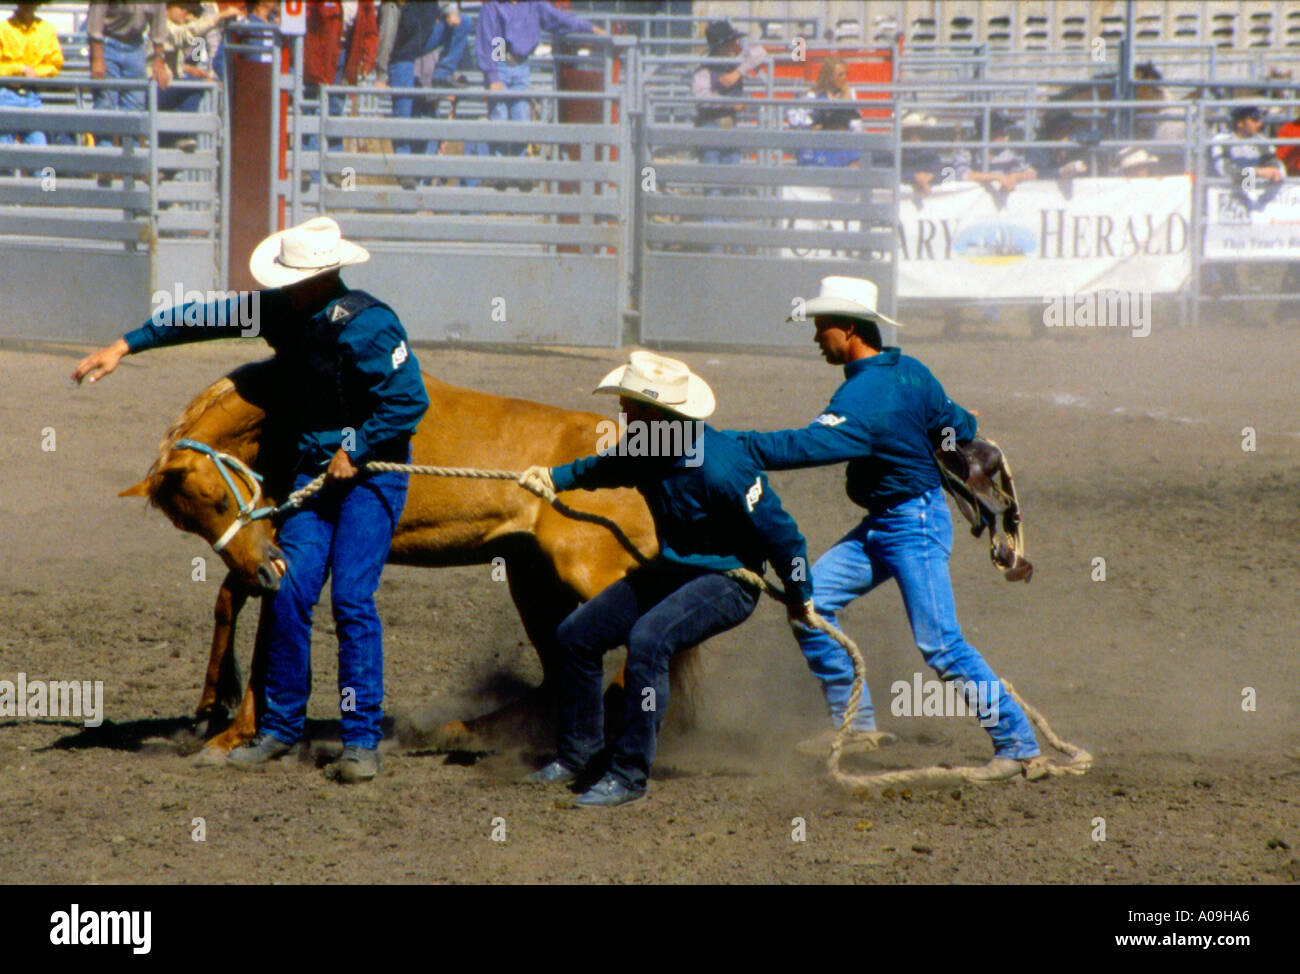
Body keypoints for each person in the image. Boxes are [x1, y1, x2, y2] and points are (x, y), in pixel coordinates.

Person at [71, 216, 430, 784]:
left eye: (292, 276)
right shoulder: (281, 311)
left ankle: (361, 742)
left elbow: (410, 401)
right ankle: (280, 727)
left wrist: (354, 448)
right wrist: (125, 345)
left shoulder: (371, 326)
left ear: (322, 275)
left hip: (370, 479)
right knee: (287, 588)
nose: (282, 285)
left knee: (353, 599)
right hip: (311, 478)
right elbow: (200, 320)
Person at [727, 276, 1046, 783]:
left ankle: (1019, 745)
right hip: (894, 521)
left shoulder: (864, 395)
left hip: (911, 526)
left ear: (848, 329)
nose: (816, 339)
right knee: (809, 601)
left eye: (821, 328)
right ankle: (856, 726)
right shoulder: (911, 371)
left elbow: (807, 446)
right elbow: (957, 426)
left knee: (941, 644)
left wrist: (735, 446)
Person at [517, 352, 814, 807]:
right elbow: (604, 468)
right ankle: (578, 755)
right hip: (674, 570)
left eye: (630, 404)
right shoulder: (648, 444)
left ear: (656, 413)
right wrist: (555, 478)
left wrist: (799, 595)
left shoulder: (722, 468)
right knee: (575, 636)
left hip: (730, 582)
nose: (621, 412)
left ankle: (629, 773)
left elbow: (785, 537)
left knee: (649, 639)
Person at [475, 0, 604, 178]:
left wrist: (588, 28)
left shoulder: (533, 5)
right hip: (500, 65)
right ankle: (500, 174)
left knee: (522, 122)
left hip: (521, 65)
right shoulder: (493, 6)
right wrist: (492, 76)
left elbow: (559, 19)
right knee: (500, 120)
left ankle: (518, 174)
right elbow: (486, 41)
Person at [380, 0, 473, 187]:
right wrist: (381, 73)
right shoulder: (394, 5)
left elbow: (447, 4)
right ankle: (404, 168)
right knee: (403, 112)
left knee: (465, 22)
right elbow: (386, 37)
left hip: (422, 55)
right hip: (402, 56)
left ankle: (443, 73)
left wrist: (451, 11)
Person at [160, 1, 238, 150]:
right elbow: (185, 40)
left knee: (199, 86)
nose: (186, 12)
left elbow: (200, 55)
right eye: (182, 8)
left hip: (199, 69)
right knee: (196, 86)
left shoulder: (203, 15)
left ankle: (180, 138)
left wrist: (201, 71)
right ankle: (181, 135)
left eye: (188, 8)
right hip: (166, 81)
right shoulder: (162, 25)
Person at [692, 19, 764, 166]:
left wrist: (737, 73)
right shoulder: (704, 68)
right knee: (712, 173)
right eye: (731, 41)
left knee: (731, 172)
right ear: (721, 46)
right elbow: (702, 97)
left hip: (729, 125)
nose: (735, 44)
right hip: (710, 125)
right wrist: (731, 104)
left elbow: (760, 52)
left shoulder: (734, 63)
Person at [87, 1, 170, 112]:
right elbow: (95, 22)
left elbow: (159, 25)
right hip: (108, 43)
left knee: (136, 103)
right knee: (106, 102)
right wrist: (97, 59)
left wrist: (159, 61)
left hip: (135, 45)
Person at [0, 2, 63, 147]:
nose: (28, 5)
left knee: (38, 148)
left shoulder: (46, 29)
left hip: (33, 95)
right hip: (4, 93)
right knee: (3, 152)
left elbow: (55, 64)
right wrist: (18, 70)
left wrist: (35, 73)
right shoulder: (3, 29)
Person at [785, 56, 863, 168]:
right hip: (820, 146)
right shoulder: (813, 96)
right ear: (829, 77)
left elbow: (856, 127)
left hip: (843, 146)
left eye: (846, 74)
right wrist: (812, 127)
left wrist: (846, 100)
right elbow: (795, 119)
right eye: (840, 75)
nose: (844, 78)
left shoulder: (850, 94)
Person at [1210, 105, 1284, 210]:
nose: (1260, 124)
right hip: (1228, 198)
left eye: (1259, 119)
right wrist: (1256, 172)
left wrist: (1273, 171)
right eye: (1254, 120)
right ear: (1240, 123)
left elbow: (1275, 165)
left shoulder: (1261, 141)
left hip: (1258, 197)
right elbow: (1225, 170)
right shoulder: (1222, 140)